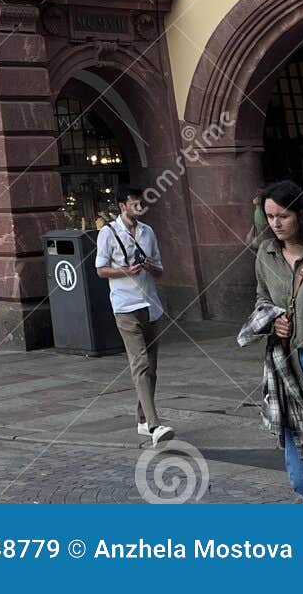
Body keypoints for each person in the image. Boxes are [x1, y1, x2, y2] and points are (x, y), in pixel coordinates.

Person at [253, 180, 303, 503]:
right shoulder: (265, 255)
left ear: (301, 214)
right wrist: (271, 319)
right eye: (269, 216)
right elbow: (261, 300)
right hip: (289, 371)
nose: (275, 224)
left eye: (283, 215)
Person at [95, 186, 173, 446]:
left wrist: (149, 267)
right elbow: (101, 269)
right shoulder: (108, 233)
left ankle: (141, 418)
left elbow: (160, 271)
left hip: (150, 305)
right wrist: (125, 272)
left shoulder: (148, 232)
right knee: (140, 363)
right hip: (125, 306)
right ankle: (154, 425)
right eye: (134, 203)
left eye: (141, 203)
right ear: (122, 206)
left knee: (151, 366)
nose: (139, 207)